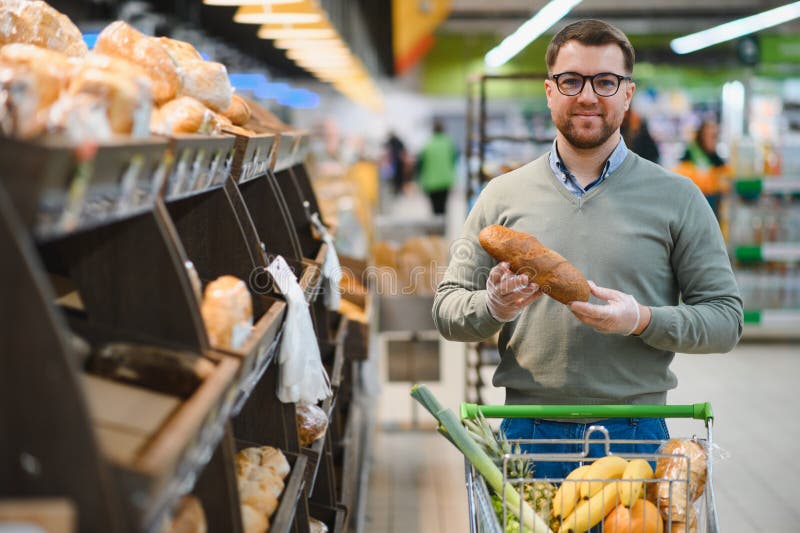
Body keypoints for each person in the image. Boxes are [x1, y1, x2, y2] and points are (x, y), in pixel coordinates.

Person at [433, 20, 742, 479]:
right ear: (549, 91)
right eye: (571, 80)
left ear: (628, 94)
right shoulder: (501, 196)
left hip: (635, 436)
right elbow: (447, 309)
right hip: (528, 434)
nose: (588, 96)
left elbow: (725, 320)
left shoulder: (679, 197)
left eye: (606, 81)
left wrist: (642, 320)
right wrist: (493, 306)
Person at [674, 119, 732, 219]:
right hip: (694, 207)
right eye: (711, 136)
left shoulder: (715, 157)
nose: (714, 141)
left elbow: (726, 179)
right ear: (702, 136)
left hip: (712, 205)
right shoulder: (690, 154)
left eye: (716, 136)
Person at [416, 119, 457, 215]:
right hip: (445, 180)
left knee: (434, 208)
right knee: (443, 207)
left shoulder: (427, 144)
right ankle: (443, 228)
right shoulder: (448, 142)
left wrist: (419, 179)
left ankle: (436, 228)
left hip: (431, 182)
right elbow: (454, 160)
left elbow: (421, 163)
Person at [385, 131, 408, 195]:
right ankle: (398, 189)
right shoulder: (397, 141)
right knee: (398, 176)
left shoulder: (392, 142)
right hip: (397, 161)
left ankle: (397, 189)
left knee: (396, 176)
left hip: (395, 161)